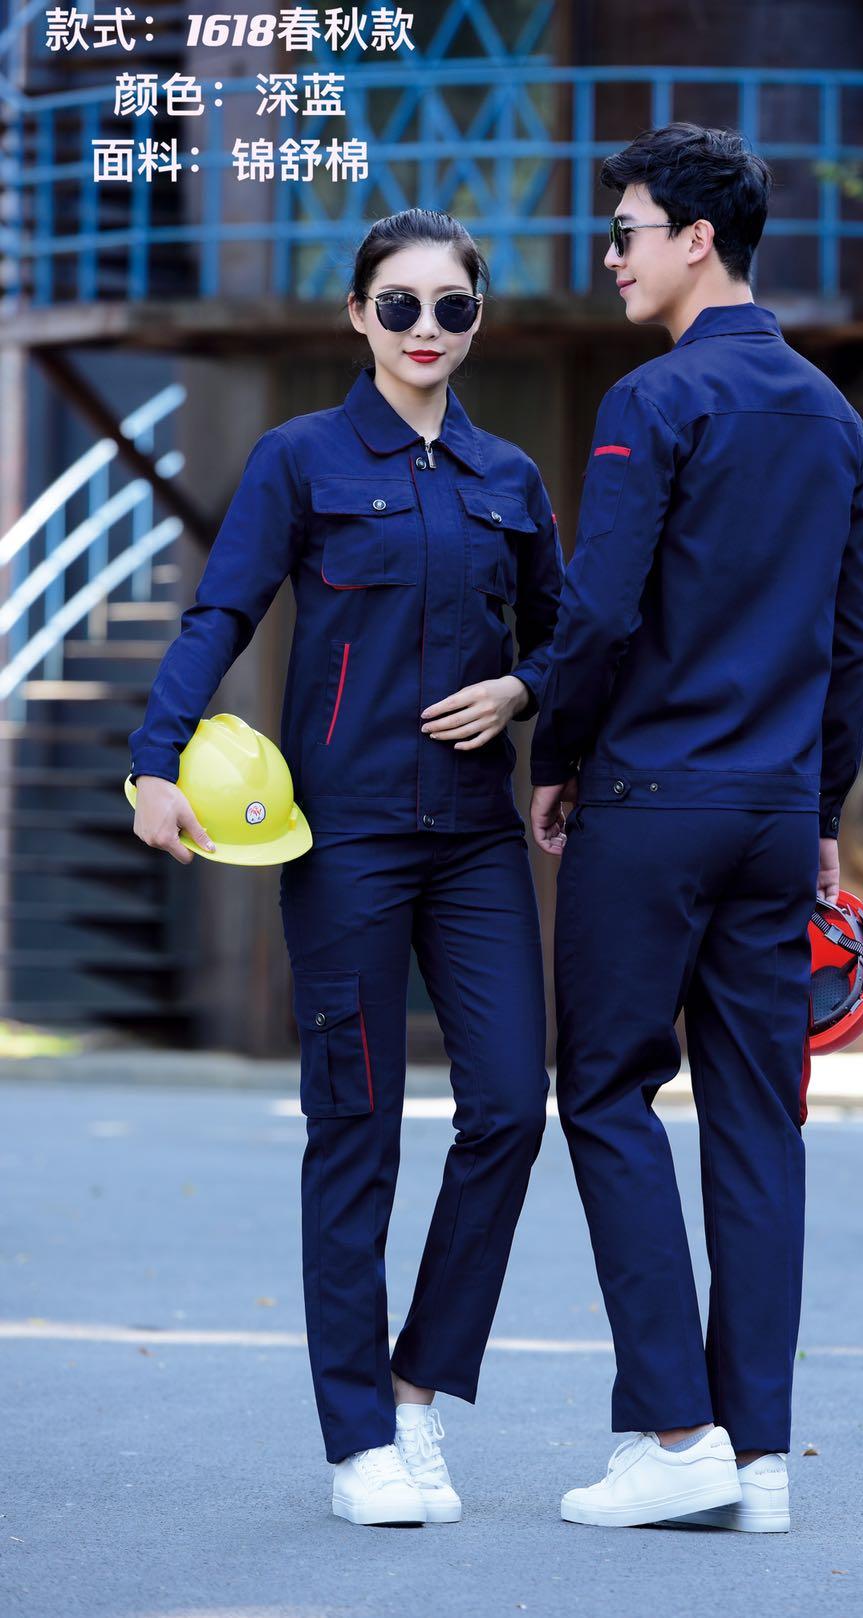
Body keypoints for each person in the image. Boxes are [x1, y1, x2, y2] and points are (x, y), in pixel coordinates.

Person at [128, 208, 565, 1527]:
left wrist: (526, 696)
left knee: (510, 1106)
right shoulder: (300, 459)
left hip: (476, 839)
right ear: (358, 316)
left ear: (477, 321)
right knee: (355, 1128)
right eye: (400, 305)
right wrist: (156, 759)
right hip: (349, 842)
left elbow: (566, 637)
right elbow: (221, 611)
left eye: (452, 307)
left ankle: (417, 1387)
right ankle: (359, 1438)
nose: (426, 329)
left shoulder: (507, 476)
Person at [530, 123, 863, 1531]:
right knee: (757, 1125)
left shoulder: (654, 399)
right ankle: (758, 1459)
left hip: (651, 804)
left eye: (625, 231)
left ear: (695, 240)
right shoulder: (832, 417)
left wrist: (555, 751)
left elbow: (600, 609)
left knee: (606, 1094)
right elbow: (850, 642)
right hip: (774, 817)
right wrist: (824, 812)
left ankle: (676, 1431)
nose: (610, 255)